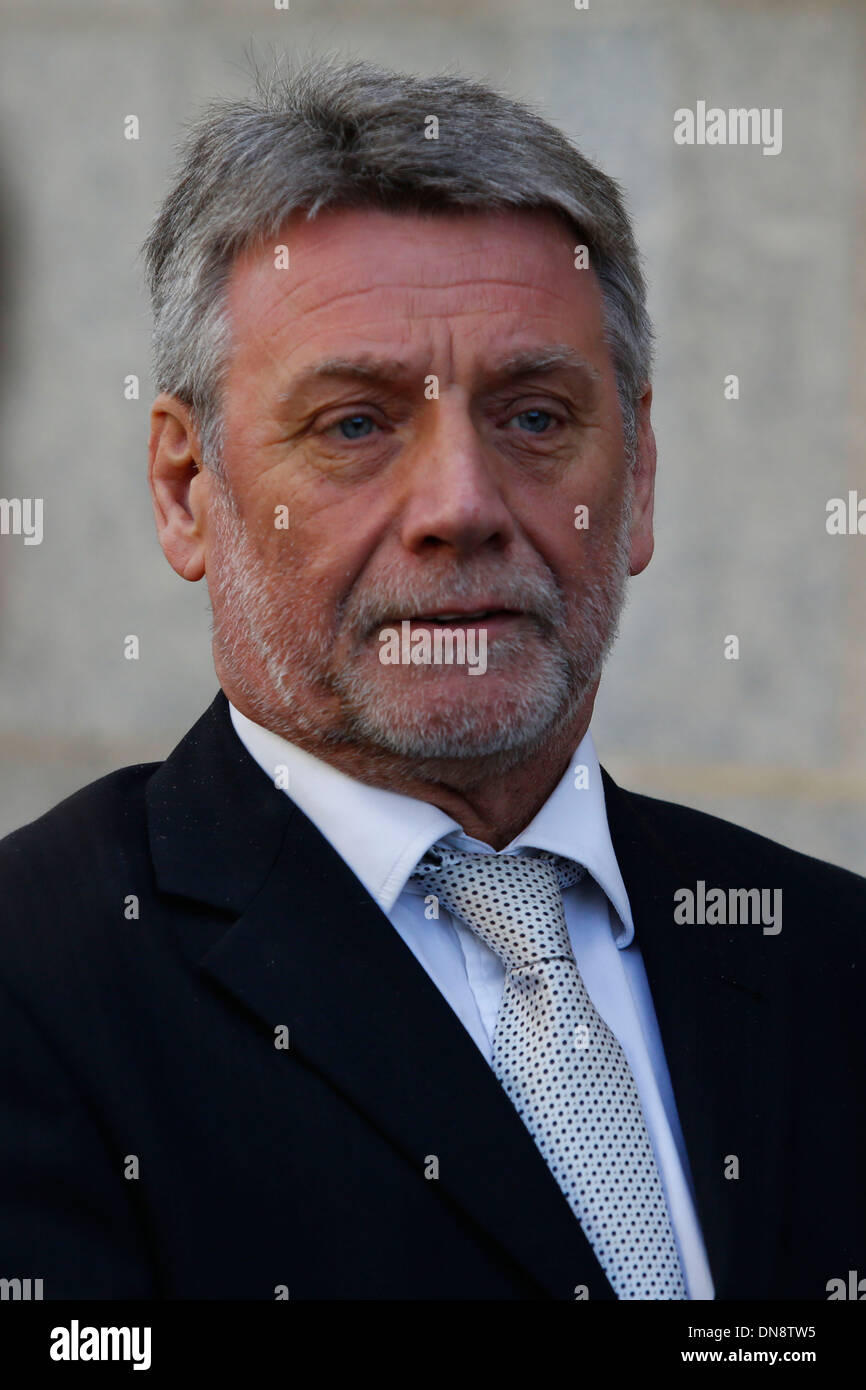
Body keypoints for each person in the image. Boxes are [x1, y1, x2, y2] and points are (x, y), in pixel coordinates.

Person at [0, 55, 863, 1303]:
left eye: (531, 417)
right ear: (188, 490)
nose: (460, 505)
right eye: (353, 424)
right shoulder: (38, 982)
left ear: (640, 480)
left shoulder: (828, 958)